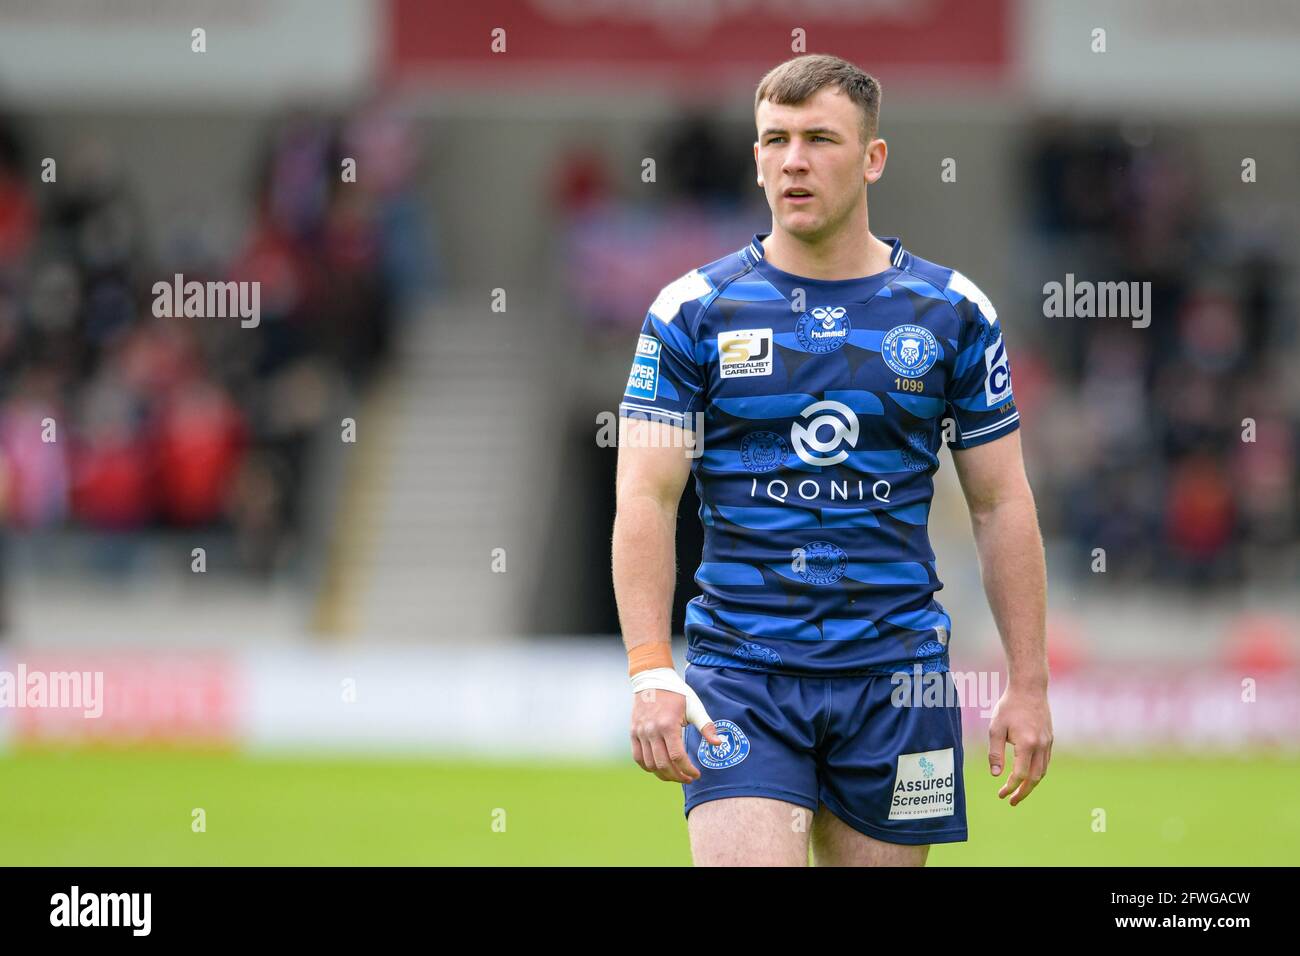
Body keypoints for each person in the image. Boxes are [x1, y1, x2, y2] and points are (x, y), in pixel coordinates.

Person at [611, 54, 1053, 866]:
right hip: (742, 673)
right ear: (754, 156)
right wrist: (650, 671)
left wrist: (1028, 683)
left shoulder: (951, 312)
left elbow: (1000, 504)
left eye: (820, 138)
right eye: (774, 140)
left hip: (899, 681)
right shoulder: (693, 311)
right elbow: (644, 496)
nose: (794, 160)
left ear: (873, 158)